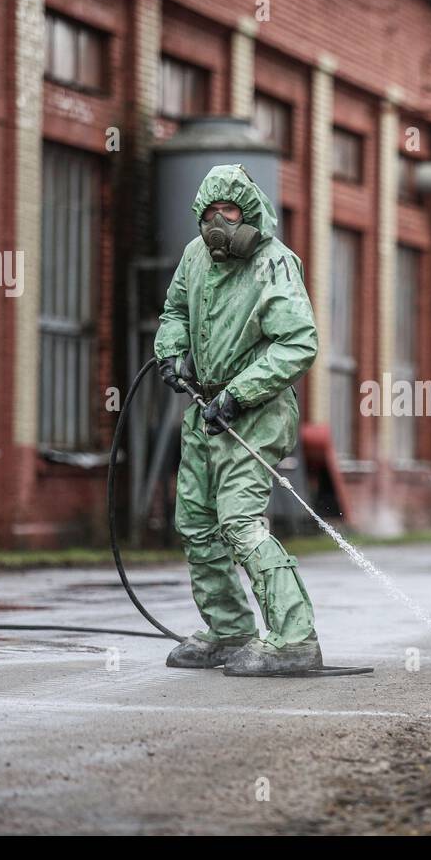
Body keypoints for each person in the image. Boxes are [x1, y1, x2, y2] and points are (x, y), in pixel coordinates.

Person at [153, 164, 323, 676]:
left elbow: (299, 342)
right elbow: (174, 311)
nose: (217, 224)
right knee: (197, 524)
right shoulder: (194, 256)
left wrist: (239, 393)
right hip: (204, 411)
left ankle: (295, 639)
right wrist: (172, 352)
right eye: (208, 214)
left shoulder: (274, 263)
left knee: (239, 523)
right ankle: (229, 631)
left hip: (256, 411)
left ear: (248, 212)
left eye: (228, 212)